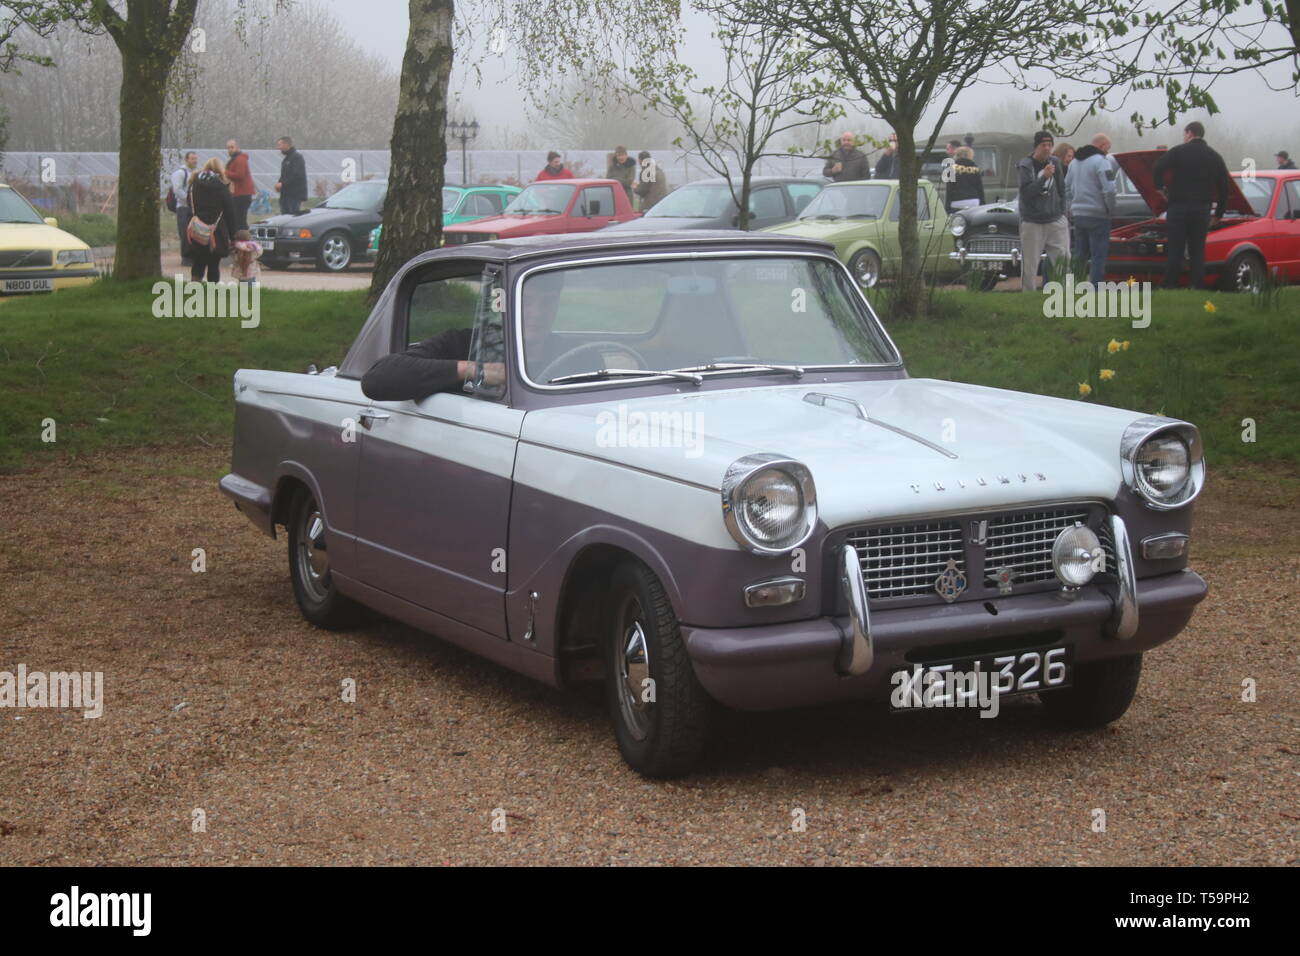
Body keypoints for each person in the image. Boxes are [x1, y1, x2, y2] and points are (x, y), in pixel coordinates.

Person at [1152, 121, 1231, 290]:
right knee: (1197, 249)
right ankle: (1197, 284)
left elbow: (1157, 167)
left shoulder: (1178, 151)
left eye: (1184, 133)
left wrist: (1161, 189)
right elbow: (1224, 187)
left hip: (1178, 207)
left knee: (1176, 248)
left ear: (1189, 133)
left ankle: (1171, 283)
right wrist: (1218, 214)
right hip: (1202, 209)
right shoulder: (1214, 156)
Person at [1016, 131, 1070, 292]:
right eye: (1043, 145)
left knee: (1063, 260)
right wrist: (1044, 177)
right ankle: (1029, 296)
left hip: (1055, 220)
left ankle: (1064, 295)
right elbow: (1026, 193)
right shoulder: (1026, 165)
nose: (1047, 149)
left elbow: (1061, 189)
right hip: (1033, 222)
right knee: (1030, 264)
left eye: (1050, 145)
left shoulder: (1055, 162)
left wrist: (1062, 213)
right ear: (1036, 147)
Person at [1067, 134, 1118, 286]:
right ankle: (1096, 290)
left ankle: (1076, 286)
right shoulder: (1102, 162)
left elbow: (1065, 187)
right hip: (1098, 216)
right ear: (1102, 146)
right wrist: (1110, 208)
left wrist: (1073, 206)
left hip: (1078, 215)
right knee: (1098, 257)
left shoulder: (1074, 163)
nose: (1108, 152)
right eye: (1108, 149)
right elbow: (1109, 189)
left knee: (1080, 255)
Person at [186, 157, 237, 282]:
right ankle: (212, 292)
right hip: (216, 232)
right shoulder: (222, 188)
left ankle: (195, 290)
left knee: (198, 262)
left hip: (196, 229)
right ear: (220, 170)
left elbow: (189, 204)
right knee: (214, 263)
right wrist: (233, 236)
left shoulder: (194, 185)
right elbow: (230, 213)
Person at [171, 151, 198, 264]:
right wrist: (189, 199)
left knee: (193, 232)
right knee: (184, 231)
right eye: (192, 159)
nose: (195, 161)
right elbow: (177, 190)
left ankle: (193, 255)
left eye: (196, 159)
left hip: (192, 208)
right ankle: (186, 258)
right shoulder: (180, 173)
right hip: (183, 207)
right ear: (186, 160)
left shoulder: (195, 173)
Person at [225, 138, 256, 231]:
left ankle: (243, 239)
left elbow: (240, 175)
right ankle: (242, 238)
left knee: (239, 220)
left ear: (237, 148)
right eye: (228, 148)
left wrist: (225, 172)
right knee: (239, 219)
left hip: (242, 193)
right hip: (239, 193)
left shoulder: (240, 159)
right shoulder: (236, 159)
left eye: (232, 147)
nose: (230, 149)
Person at [946, 145, 985, 212]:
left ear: (957, 155)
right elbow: (980, 188)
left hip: (957, 202)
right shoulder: (975, 168)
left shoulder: (951, 169)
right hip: (974, 201)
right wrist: (983, 204)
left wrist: (947, 207)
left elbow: (949, 189)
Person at [274, 136, 308, 215]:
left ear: (286, 144)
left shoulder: (297, 157)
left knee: (292, 217)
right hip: (285, 194)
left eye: (280, 145)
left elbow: (297, 175)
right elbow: (285, 175)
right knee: (285, 218)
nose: (278, 148)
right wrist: (279, 184)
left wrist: (283, 184)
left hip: (294, 195)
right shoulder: (287, 159)